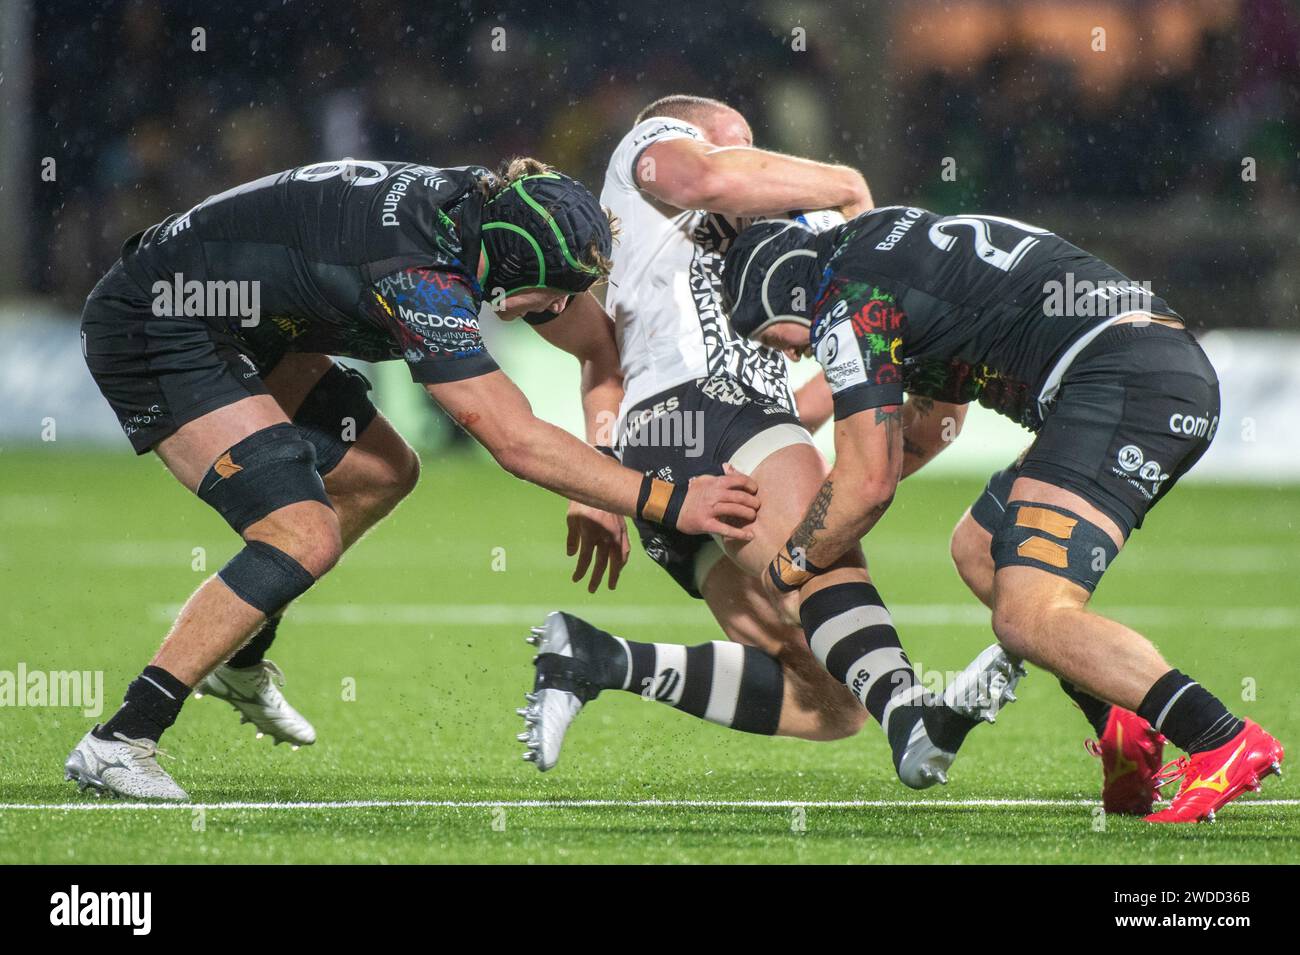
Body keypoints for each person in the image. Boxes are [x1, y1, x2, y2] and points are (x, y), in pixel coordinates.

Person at [66, 157, 759, 801]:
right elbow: (512, 438)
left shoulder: (493, 219)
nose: (566, 309)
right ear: (511, 275)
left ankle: (237, 657)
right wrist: (669, 500)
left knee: (379, 474)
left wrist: (598, 474)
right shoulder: (420, 274)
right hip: (163, 318)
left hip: (252, 319)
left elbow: (597, 350)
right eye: (556, 294)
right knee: (300, 532)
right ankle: (122, 736)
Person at [720, 206, 1284, 823]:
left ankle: (1221, 738)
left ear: (781, 296)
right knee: (979, 547)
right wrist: (837, 510)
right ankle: (1119, 715)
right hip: (1138, 368)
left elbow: (869, 483)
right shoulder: (879, 241)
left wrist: (783, 570)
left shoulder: (847, 299)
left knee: (1027, 617)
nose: (795, 356)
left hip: (1122, 383)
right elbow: (937, 424)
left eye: (774, 337)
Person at [518, 97, 1022, 787]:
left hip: (690, 450)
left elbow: (610, 361)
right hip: (706, 404)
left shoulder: (785, 224)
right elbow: (705, 180)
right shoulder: (655, 148)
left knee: (828, 695)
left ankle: (597, 657)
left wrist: (903, 406)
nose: (754, 150)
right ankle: (915, 715)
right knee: (819, 564)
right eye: (741, 139)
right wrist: (845, 186)